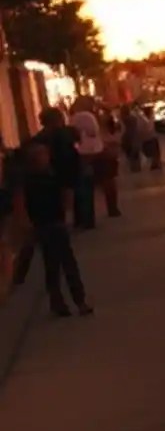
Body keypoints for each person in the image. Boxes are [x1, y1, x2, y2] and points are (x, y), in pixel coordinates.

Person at [12, 111, 93, 317]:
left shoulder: (47, 173)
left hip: (51, 222)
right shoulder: (34, 178)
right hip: (45, 223)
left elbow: (63, 191)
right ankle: (64, 301)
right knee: (56, 263)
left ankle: (73, 300)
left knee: (62, 262)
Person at [67, 96, 102, 228]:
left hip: (81, 152)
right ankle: (88, 218)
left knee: (82, 186)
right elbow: (94, 131)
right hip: (89, 151)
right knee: (87, 186)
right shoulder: (86, 116)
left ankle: (82, 218)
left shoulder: (74, 117)